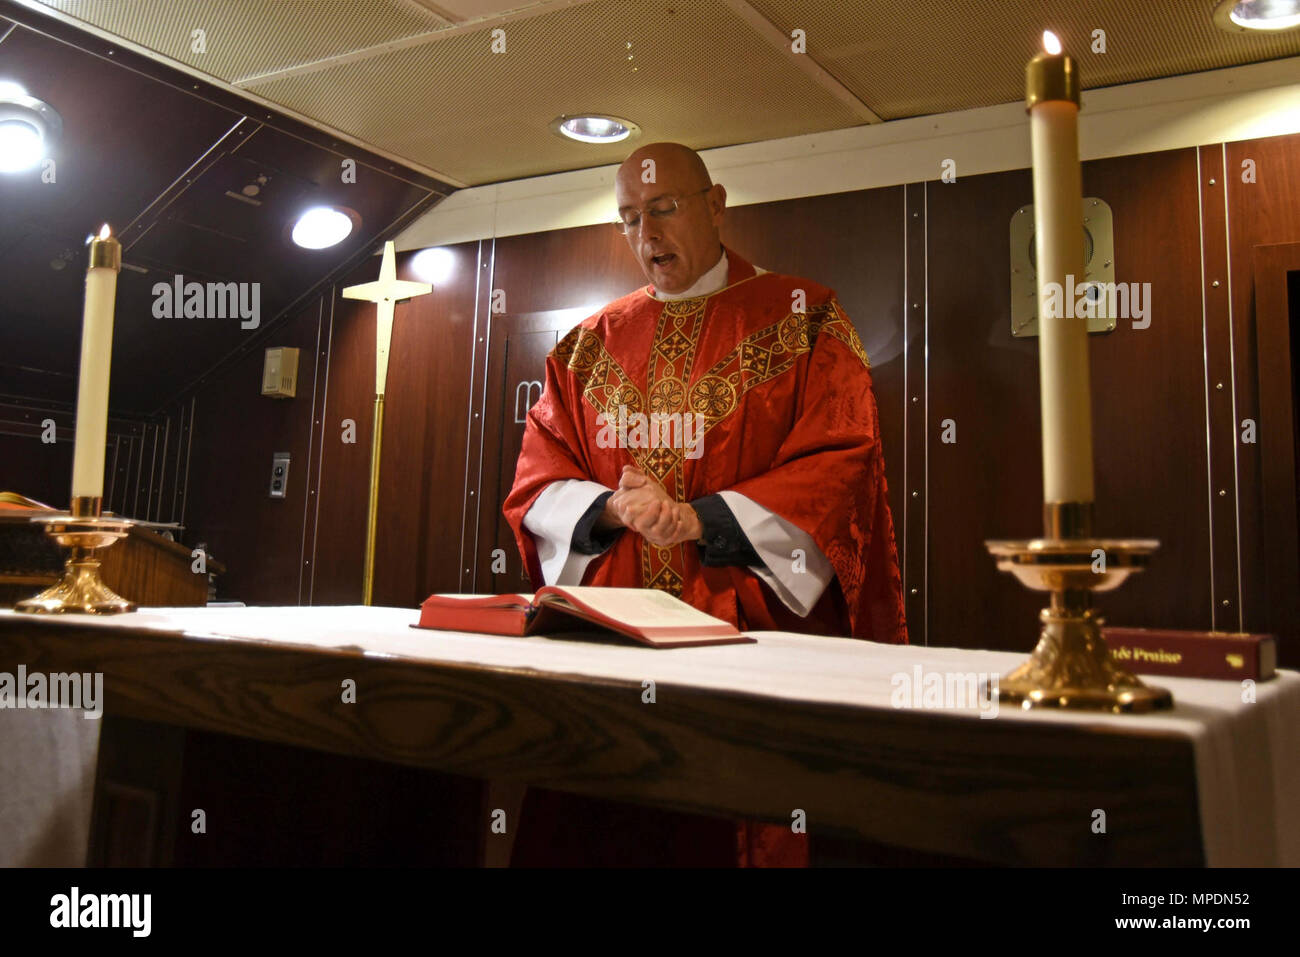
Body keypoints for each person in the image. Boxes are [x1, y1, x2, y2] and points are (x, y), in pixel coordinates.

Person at [502, 142, 907, 866]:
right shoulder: (583, 349)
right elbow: (536, 479)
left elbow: (841, 464)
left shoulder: (805, 318)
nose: (647, 235)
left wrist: (698, 519)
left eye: (663, 209)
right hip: (612, 653)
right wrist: (610, 510)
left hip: (746, 643)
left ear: (716, 204)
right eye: (629, 218)